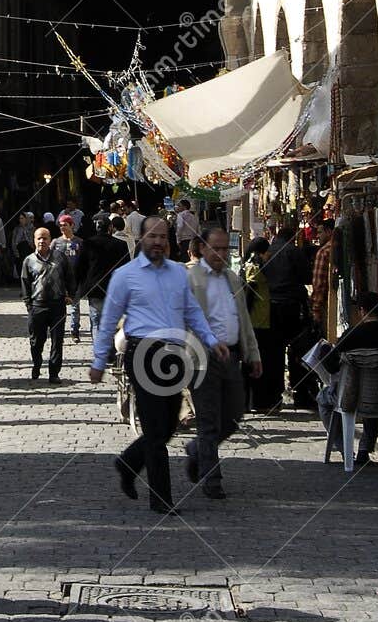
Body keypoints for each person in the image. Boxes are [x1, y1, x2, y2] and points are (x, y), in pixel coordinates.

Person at [88, 217, 227, 515]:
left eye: (163, 237)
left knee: (166, 427)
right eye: (153, 236)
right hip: (142, 352)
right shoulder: (125, 276)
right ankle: (161, 498)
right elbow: (109, 319)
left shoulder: (178, 273)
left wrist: (211, 340)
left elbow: (192, 311)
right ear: (141, 239)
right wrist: (99, 360)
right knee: (154, 428)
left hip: (174, 353)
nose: (158, 242)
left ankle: (127, 462)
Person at [183, 229, 262, 499]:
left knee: (234, 414)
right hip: (202, 358)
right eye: (215, 248)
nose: (221, 253)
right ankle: (211, 478)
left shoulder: (232, 278)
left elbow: (243, 319)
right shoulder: (190, 279)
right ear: (202, 249)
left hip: (231, 355)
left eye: (225, 248)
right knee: (208, 421)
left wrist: (253, 354)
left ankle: (197, 450)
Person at [322, 291, 378, 467]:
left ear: (362, 311)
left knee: (323, 400)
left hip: (349, 398)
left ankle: (342, 448)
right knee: (372, 402)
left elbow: (331, 365)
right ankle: (364, 451)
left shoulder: (352, 334)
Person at [259, 222, 312, 412]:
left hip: (271, 307)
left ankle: (274, 396)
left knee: (273, 353)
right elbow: (307, 276)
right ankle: (301, 394)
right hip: (292, 306)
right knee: (298, 350)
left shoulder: (267, 252)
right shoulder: (294, 251)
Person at [20, 226, 75, 383]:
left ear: (50, 240)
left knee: (57, 340)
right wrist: (28, 304)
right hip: (37, 305)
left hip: (57, 304)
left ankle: (54, 372)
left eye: (45, 238)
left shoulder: (60, 257)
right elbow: (25, 282)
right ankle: (36, 363)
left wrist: (70, 295)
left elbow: (70, 277)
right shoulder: (29, 260)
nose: (42, 241)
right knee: (36, 340)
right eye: (39, 238)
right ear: (34, 241)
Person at [82, 216, 130, 339]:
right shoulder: (121, 244)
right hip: (115, 289)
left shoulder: (88, 244)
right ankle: (111, 352)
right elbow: (126, 269)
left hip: (95, 289)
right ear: (110, 228)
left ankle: (99, 352)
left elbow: (81, 267)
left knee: (96, 322)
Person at [240, 237, 273, 411]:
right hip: (257, 323)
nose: (269, 255)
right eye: (267, 252)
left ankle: (250, 402)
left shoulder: (252, 267)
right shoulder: (253, 268)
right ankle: (252, 402)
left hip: (259, 322)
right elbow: (249, 296)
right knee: (253, 364)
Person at [52, 213, 85, 341]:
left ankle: (74, 331)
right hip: (59, 279)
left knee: (75, 306)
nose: (62, 227)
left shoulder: (79, 242)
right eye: (60, 225)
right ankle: (58, 332)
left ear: (72, 225)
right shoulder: (56, 242)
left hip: (75, 279)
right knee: (58, 307)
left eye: (65, 225)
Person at [310, 215, 338, 340]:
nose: (318, 236)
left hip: (327, 305)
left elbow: (319, 284)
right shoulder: (341, 247)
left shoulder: (324, 252)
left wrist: (316, 309)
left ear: (329, 232)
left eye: (320, 232)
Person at [10, 211, 36, 279]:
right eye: (20, 218)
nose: (21, 220)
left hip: (29, 249)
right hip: (19, 250)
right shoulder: (17, 229)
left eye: (22, 218)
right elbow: (14, 241)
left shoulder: (32, 228)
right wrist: (15, 251)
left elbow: (33, 239)